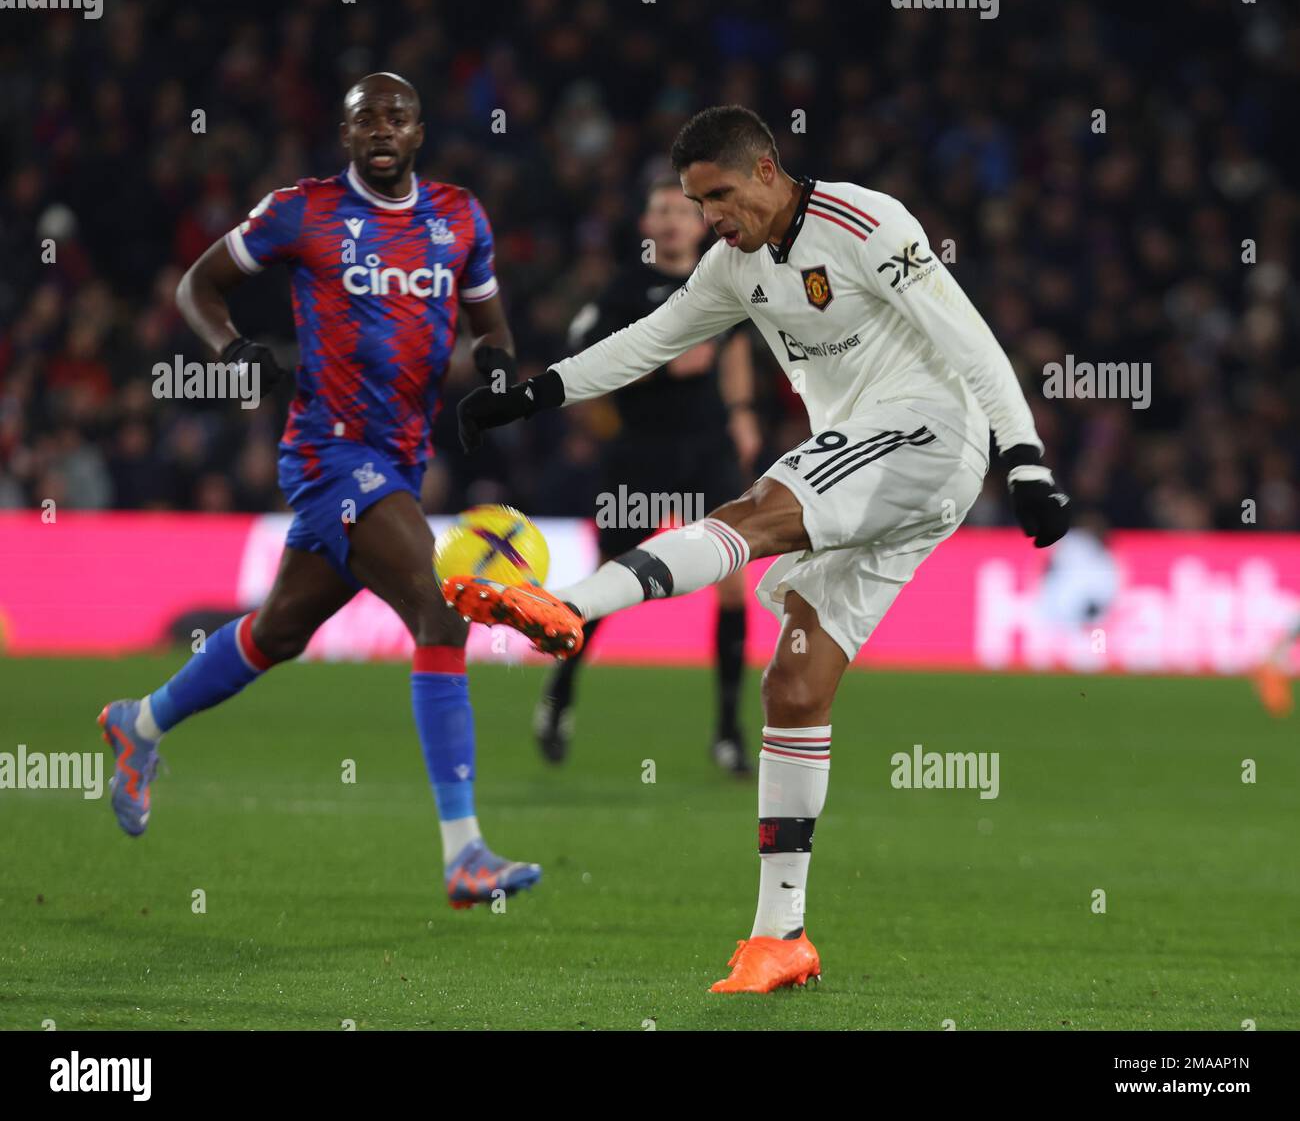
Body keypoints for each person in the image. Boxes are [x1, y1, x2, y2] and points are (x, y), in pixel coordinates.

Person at [448, 105, 1070, 990]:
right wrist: (531, 395)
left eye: (722, 195)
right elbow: (643, 345)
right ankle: (782, 937)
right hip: (890, 477)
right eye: (700, 203)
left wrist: (1027, 458)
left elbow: (970, 337)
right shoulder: (734, 266)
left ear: (769, 171)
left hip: (927, 432)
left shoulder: (867, 223)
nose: (713, 218)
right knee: (796, 682)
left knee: (756, 511)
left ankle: (573, 605)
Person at [98, 73, 542, 908]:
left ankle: (140, 721)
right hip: (331, 454)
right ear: (345, 136)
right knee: (441, 609)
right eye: (364, 117)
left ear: (417, 133)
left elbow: (490, 320)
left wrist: (497, 371)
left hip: (398, 459)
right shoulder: (300, 211)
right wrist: (232, 350)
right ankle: (464, 853)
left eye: (396, 117)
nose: (381, 128)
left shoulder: (459, 217)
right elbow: (197, 284)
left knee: (278, 631)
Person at [534, 177, 761, 774]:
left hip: (706, 453)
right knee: (609, 585)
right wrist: (663, 368)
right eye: (658, 210)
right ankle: (559, 697)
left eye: (681, 211)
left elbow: (734, 350)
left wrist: (740, 415)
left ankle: (728, 732)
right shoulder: (624, 291)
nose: (669, 221)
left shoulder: (721, 279)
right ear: (645, 225)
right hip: (640, 456)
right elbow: (594, 368)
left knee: (733, 585)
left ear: (700, 223)